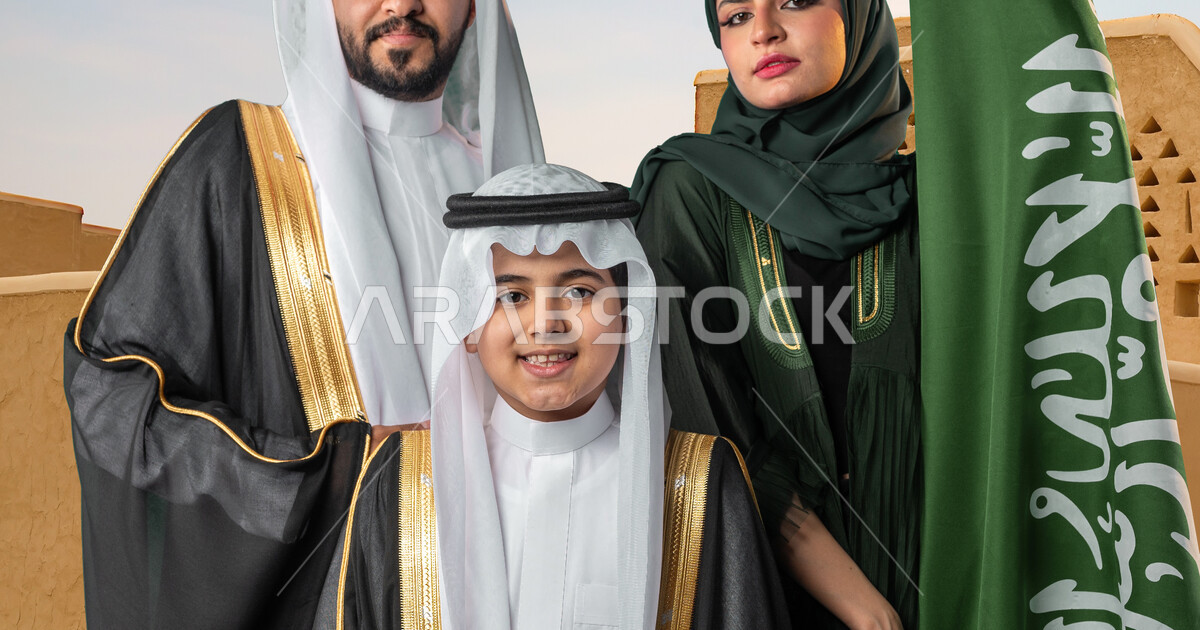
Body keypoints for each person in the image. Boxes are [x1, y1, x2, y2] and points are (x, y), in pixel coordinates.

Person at [62, 0, 541, 627]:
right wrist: (329, 470)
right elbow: (110, 399)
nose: (401, 6)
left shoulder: (515, 194)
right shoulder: (236, 161)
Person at [332, 163, 790, 629]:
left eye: (578, 290)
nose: (546, 323)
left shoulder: (701, 482)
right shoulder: (401, 483)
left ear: (629, 318)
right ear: (467, 328)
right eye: (510, 297)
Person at [632, 0, 918, 628]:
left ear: (861, 18)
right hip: (765, 595)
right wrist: (865, 609)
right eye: (735, 16)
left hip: (946, 583)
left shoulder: (928, 198)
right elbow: (704, 420)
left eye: (794, 1)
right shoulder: (689, 190)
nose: (763, 30)